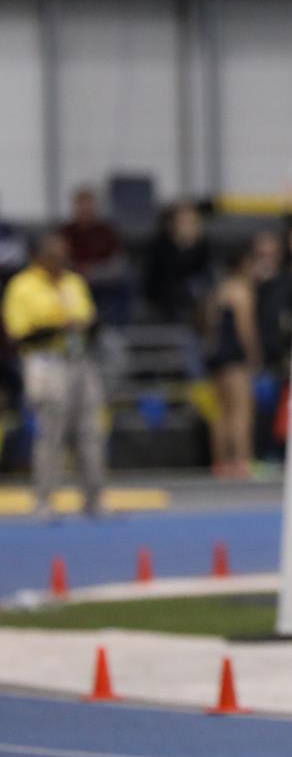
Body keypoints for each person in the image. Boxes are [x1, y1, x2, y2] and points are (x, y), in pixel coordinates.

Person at [4, 232, 106, 518]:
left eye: (64, 252)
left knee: (90, 431)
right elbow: (19, 332)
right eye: (55, 253)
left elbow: (90, 318)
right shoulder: (23, 286)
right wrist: (60, 326)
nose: (62, 258)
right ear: (40, 256)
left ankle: (94, 499)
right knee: (50, 432)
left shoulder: (74, 282)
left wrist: (86, 326)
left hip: (79, 359)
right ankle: (44, 500)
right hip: (46, 360)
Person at [206, 244, 264, 479]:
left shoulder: (219, 291)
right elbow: (245, 327)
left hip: (218, 356)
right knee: (241, 411)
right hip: (235, 357)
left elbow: (210, 327)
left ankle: (221, 462)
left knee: (222, 411)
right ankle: (242, 461)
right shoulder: (242, 290)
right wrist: (253, 354)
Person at [61, 187, 130, 325]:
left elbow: (118, 262)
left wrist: (95, 272)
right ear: (75, 207)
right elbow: (59, 260)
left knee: (125, 284)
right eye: (82, 205)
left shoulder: (107, 231)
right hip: (74, 280)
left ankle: (115, 329)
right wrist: (78, 272)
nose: (86, 209)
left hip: (103, 280)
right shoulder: (66, 232)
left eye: (89, 205)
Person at [143, 202, 214, 327]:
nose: (188, 227)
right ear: (172, 224)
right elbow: (164, 276)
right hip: (164, 300)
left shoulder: (202, 246)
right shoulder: (161, 245)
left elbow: (205, 275)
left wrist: (190, 246)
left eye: (192, 222)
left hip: (193, 299)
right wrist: (183, 245)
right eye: (183, 222)